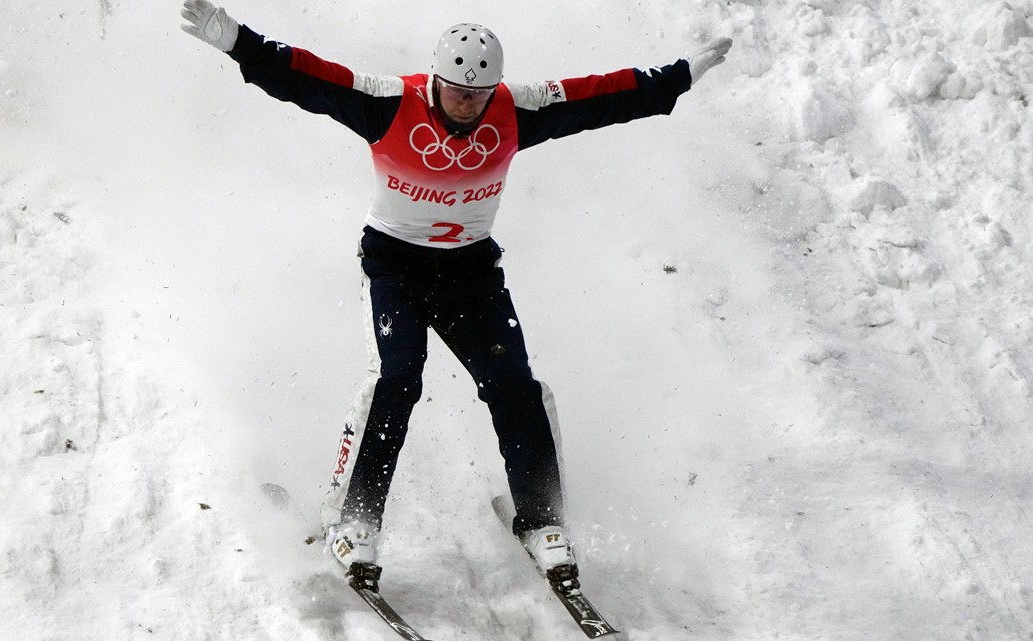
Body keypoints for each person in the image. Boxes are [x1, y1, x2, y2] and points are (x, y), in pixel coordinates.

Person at [180, 0, 732, 581]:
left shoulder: (514, 109)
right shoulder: (390, 101)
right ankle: (355, 521)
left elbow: (599, 97)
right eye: (457, 93)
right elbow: (308, 77)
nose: (468, 105)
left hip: (470, 272)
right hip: (394, 266)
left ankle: (542, 520)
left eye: (479, 94)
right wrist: (236, 40)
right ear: (437, 81)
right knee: (398, 377)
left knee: (514, 384)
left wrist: (678, 78)